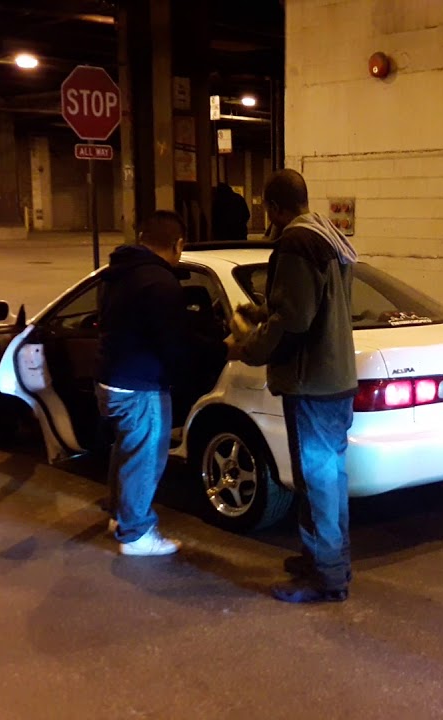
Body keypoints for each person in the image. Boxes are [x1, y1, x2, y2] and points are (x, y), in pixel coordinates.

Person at [229, 169, 358, 603]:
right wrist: (266, 309)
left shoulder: (296, 242)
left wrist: (248, 346)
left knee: (317, 479)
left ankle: (326, 576)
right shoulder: (327, 236)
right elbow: (308, 306)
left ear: (273, 206)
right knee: (330, 477)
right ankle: (329, 559)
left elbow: (296, 320)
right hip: (336, 380)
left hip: (312, 382)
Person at [95, 210, 226, 556]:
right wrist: (218, 351)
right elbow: (175, 343)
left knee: (126, 451)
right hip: (141, 387)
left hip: (111, 380)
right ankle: (135, 534)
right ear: (178, 243)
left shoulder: (118, 273)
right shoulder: (161, 282)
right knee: (145, 457)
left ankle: (120, 516)